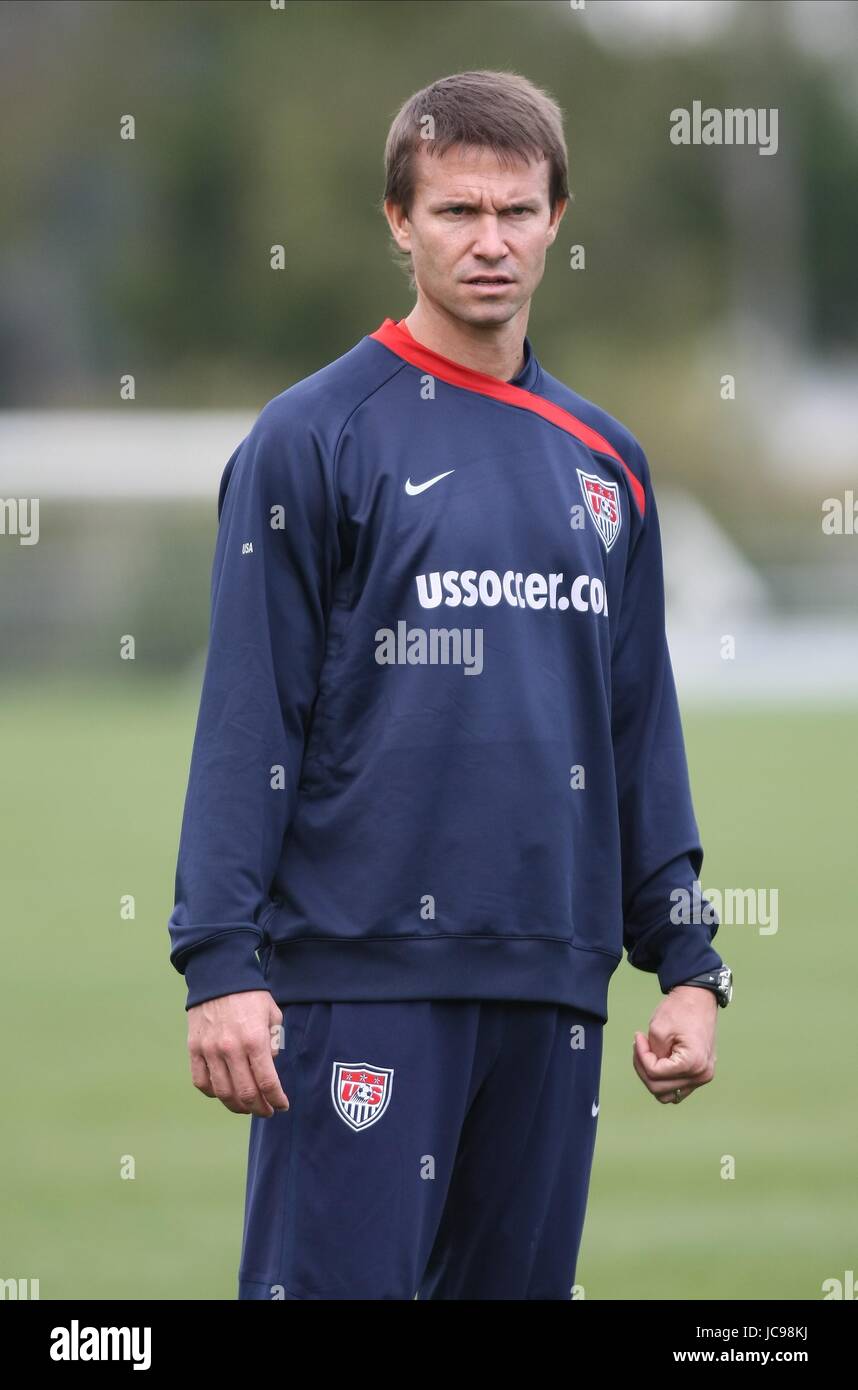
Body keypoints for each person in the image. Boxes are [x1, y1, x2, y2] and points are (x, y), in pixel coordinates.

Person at [167, 69, 731, 1302]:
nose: (490, 241)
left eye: (517, 212)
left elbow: (635, 727)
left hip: (550, 982)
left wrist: (686, 961)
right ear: (397, 221)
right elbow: (248, 716)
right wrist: (220, 959)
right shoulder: (311, 439)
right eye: (457, 212)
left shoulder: (608, 464)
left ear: (556, 221)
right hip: (361, 985)